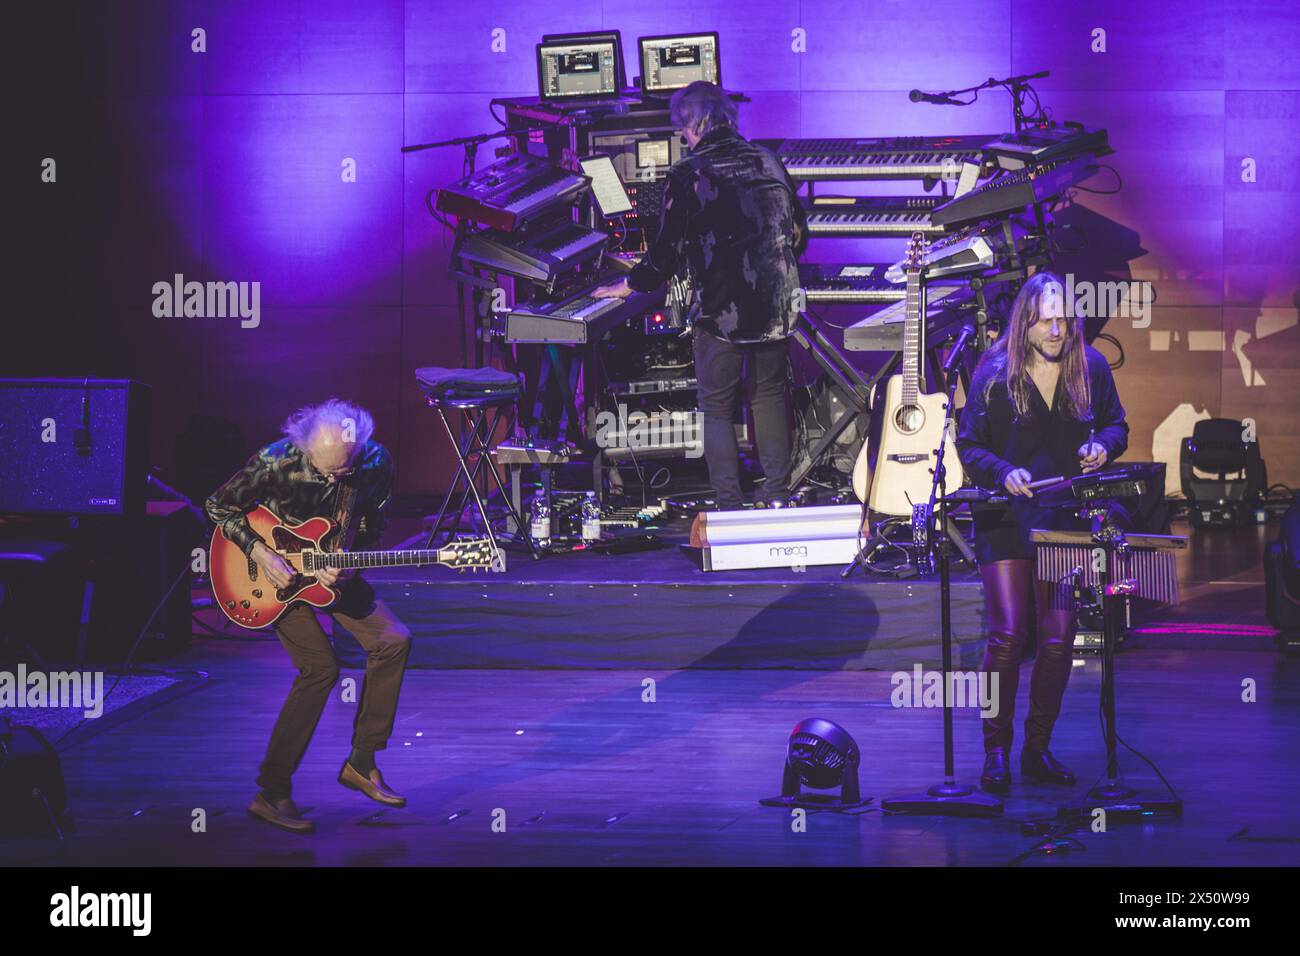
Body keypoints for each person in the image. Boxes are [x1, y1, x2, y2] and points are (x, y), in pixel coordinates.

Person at [593, 80, 808, 509]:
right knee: (767, 395)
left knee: (716, 406)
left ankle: (729, 504)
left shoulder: (687, 173)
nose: (685, 139)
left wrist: (629, 285)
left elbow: (664, 255)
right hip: (777, 303)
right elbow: (799, 235)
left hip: (723, 307)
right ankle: (777, 496)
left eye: (684, 131)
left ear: (694, 126)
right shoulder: (769, 161)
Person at [955, 272, 1129, 793]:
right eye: (1046, 320)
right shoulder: (993, 371)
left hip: (1062, 520)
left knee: (1057, 640)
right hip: (1006, 518)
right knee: (1008, 635)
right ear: (1025, 322)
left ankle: (1036, 749)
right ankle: (996, 749)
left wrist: (1105, 447)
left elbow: (1118, 424)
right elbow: (968, 446)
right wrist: (1001, 471)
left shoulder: (1090, 366)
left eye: (1063, 319)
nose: (1056, 330)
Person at [205, 398, 411, 833]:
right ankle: (271, 791)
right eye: (326, 471)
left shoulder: (375, 463)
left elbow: (375, 528)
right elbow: (219, 507)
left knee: (393, 641)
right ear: (304, 449)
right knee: (320, 669)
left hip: (329, 572)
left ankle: (361, 761)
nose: (335, 477)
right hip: (273, 579)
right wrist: (260, 552)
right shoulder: (275, 461)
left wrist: (356, 560)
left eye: (343, 470)